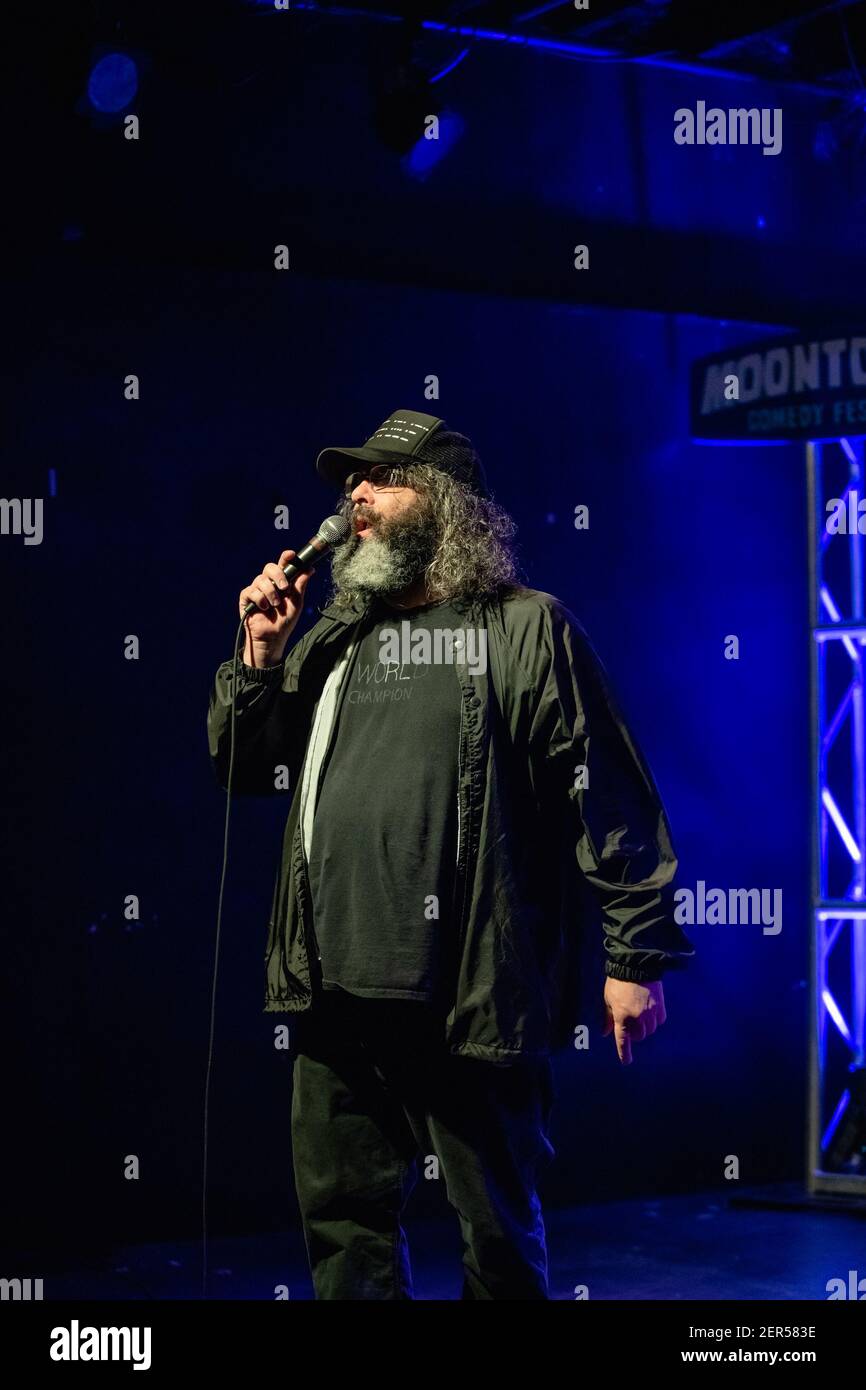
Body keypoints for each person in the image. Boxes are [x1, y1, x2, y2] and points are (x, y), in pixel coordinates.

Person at [207, 407, 695, 1300]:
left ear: (443, 506)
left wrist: (637, 955)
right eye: (349, 481)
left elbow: (609, 793)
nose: (354, 493)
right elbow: (246, 766)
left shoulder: (522, 628)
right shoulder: (332, 639)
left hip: (470, 994)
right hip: (332, 991)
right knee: (343, 1223)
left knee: (497, 1238)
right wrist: (261, 656)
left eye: (380, 480)